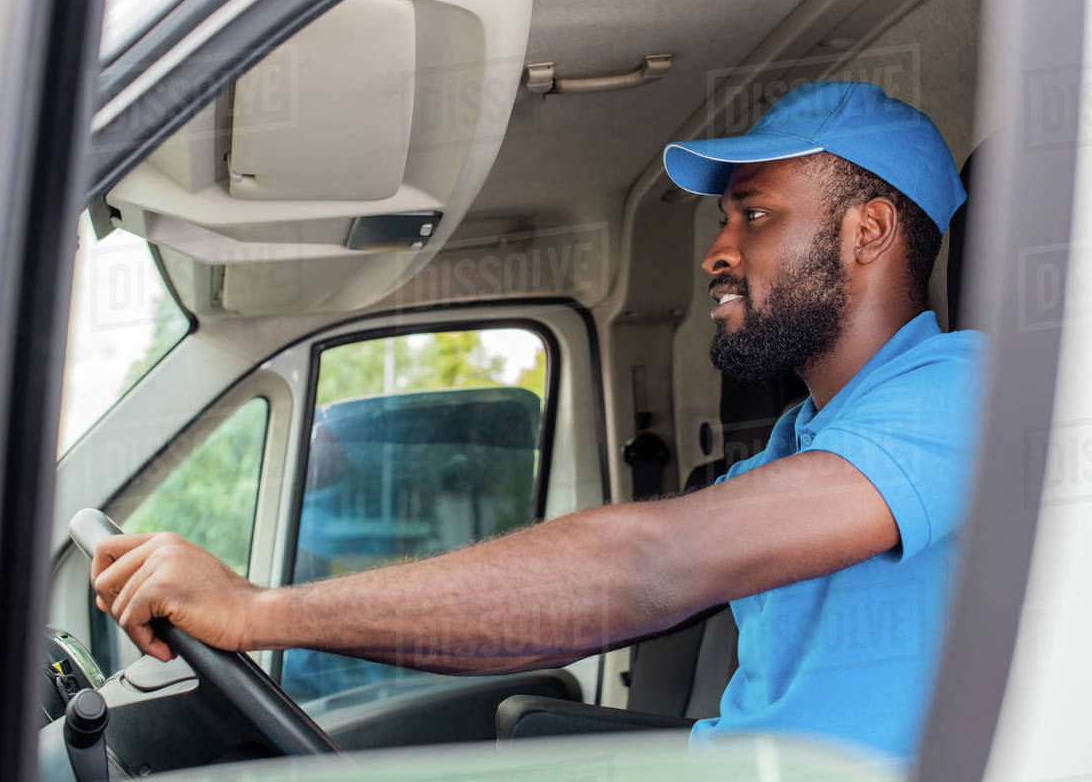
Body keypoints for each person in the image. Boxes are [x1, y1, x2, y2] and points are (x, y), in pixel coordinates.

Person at [91, 81, 985, 759]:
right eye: (725, 219)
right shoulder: (798, 445)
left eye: (754, 214)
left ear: (868, 232)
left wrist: (258, 610)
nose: (718, 248)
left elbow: (649, 565)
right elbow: (566, 602)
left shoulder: (968, 391)